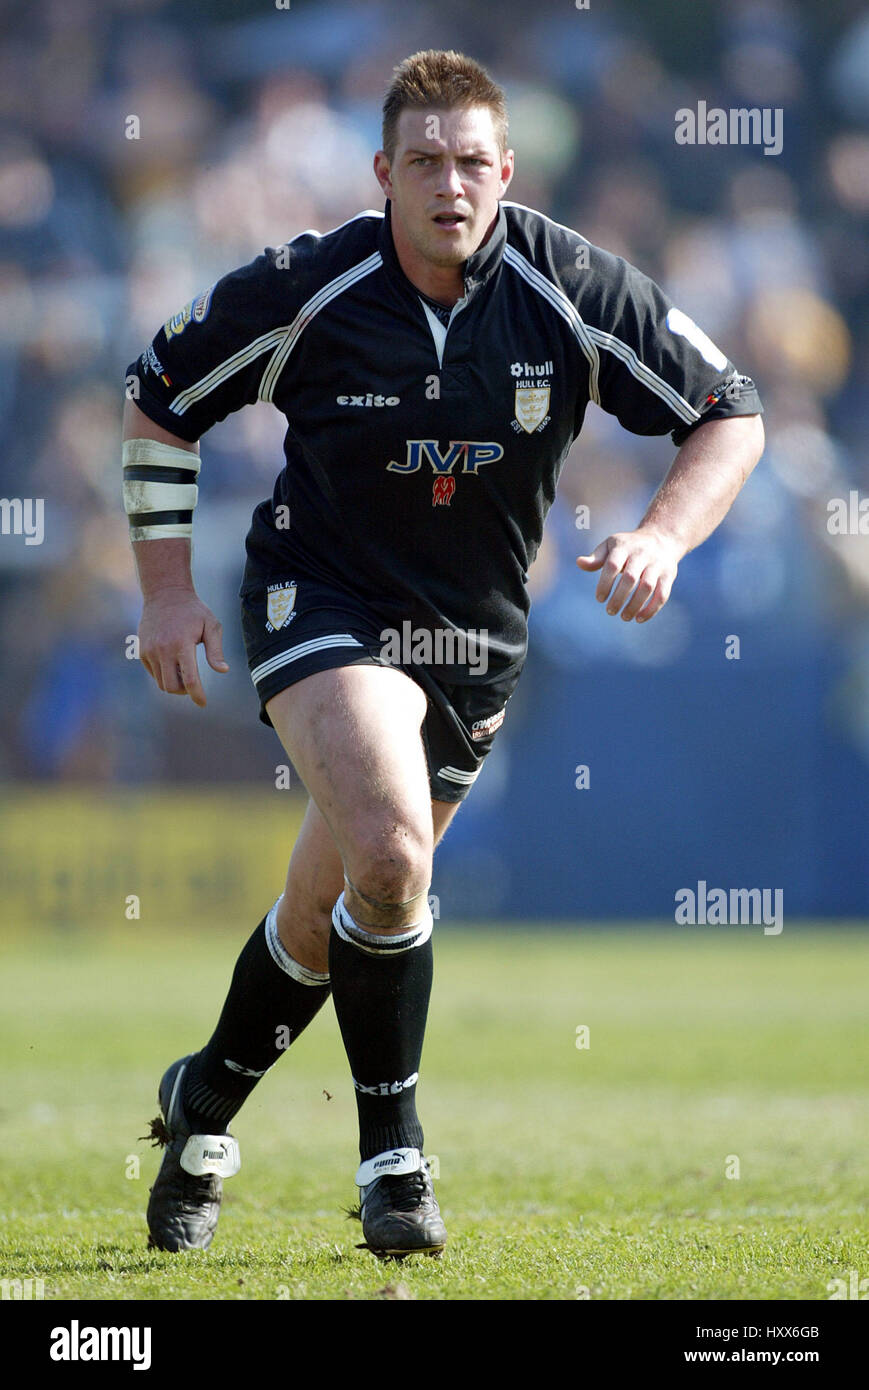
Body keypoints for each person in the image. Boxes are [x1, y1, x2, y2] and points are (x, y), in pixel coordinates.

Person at [123, 49, 764, 1258]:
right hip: (321, 600)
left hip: (473, 642)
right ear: (382, 174)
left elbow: (728, 409)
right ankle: (393, 1159)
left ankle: (201, 1105)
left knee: (338, 904)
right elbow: (160, 393)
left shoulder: (568, 285)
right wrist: (164, 592)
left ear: (506, 172)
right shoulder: (308, 285)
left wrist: (665, 536)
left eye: (473, 161)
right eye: (424, 161)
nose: (450, 184)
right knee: (392, 853)